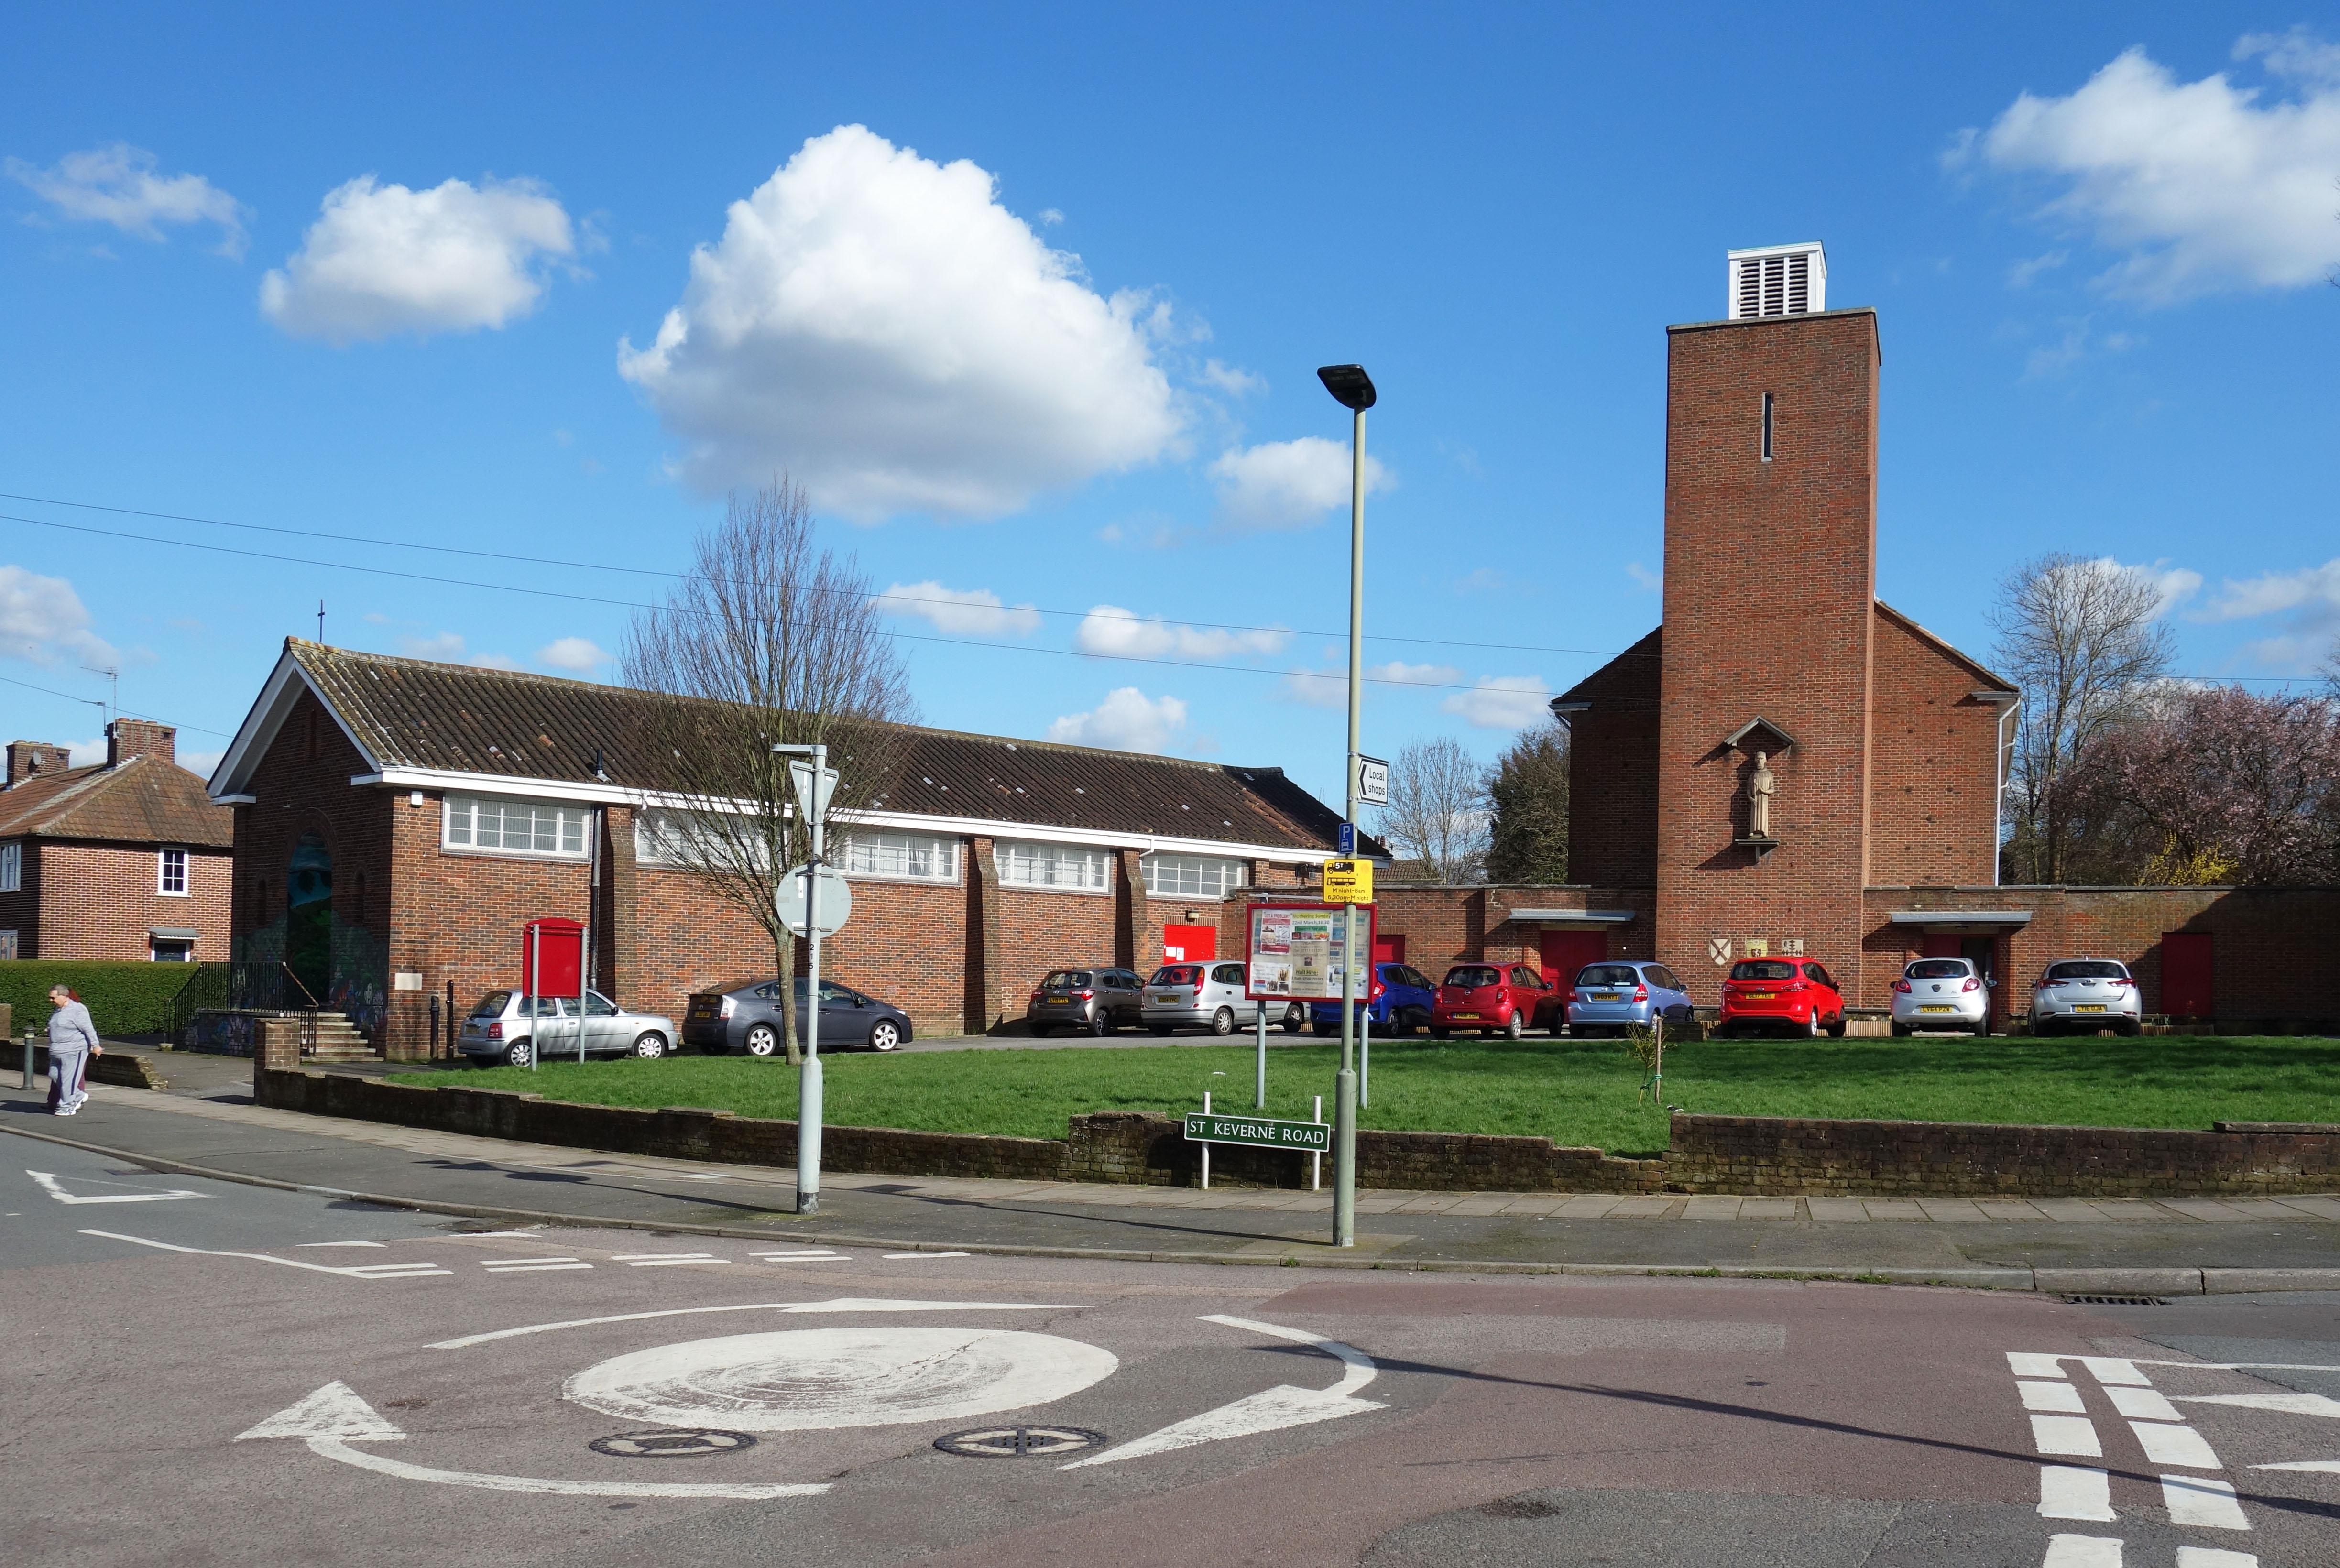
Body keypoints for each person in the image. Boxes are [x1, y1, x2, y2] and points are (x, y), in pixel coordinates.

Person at [46, 984, 99, 1116]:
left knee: (68, 1080)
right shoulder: (58, 1010)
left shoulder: (78, 1010)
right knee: (54, 1074)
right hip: (57, 1051)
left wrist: (96, 1046)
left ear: (64, 996)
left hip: (74, 1050)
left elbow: (88, 1029)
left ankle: (67, 1107)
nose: (51, 1001)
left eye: (53, 998)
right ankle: (78, 1095)